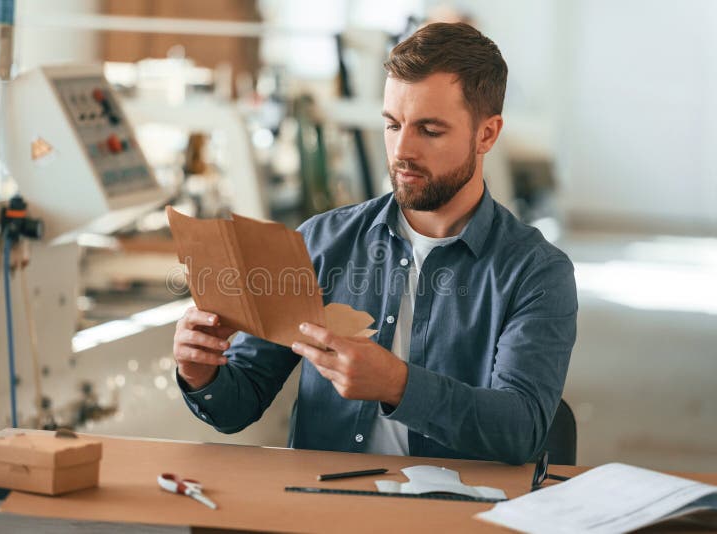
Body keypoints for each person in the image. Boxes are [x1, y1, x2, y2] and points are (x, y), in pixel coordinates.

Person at [172, 22, 577, 465]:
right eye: (392, 124)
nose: (402, 150)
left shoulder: (537, 272)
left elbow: (521, 429)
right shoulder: (321, 243)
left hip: (458, 512)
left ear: (487, 134)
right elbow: (238, 404)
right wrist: (201, 372)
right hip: (327, 505)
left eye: (430, 130)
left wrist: (398, 385)